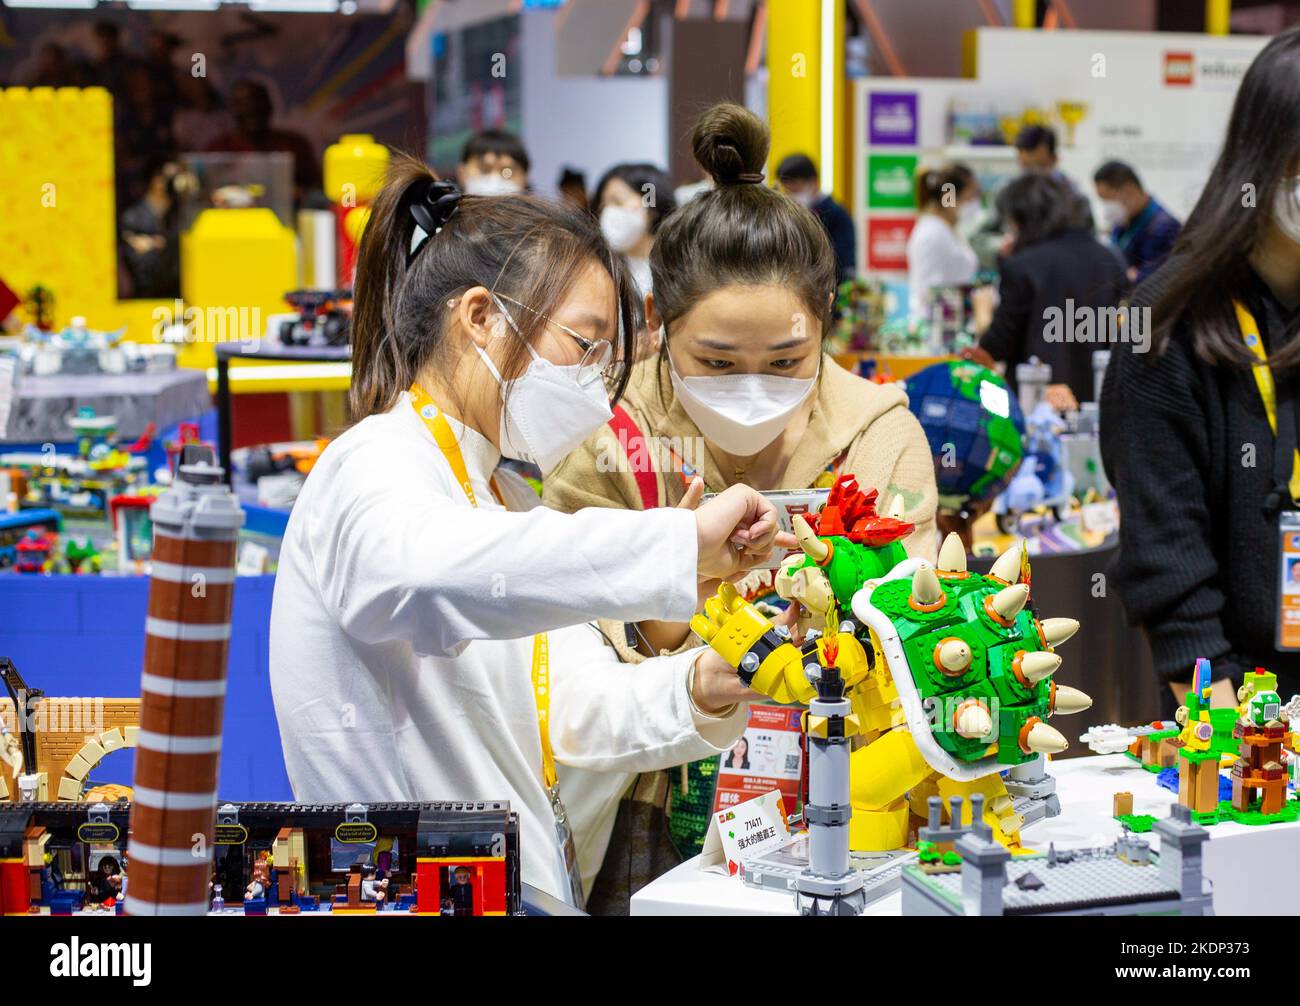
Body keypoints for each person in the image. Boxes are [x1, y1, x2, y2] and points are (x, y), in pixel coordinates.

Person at [269, 154, 794, 907]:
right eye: (583, 348)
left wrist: (712, 681)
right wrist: (675, 548)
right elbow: (423, 576)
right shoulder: (373, 463)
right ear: (480, 316)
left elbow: (574, 713)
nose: (592, 387)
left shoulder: (504, 495)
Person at [543, 103, 938, 912]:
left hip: (843, 788)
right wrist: (671, 592)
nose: (751, 385)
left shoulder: (878, 432)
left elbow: (916, 631)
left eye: (787, 360)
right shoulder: (610, 434)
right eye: (716, 361)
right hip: (648, 801)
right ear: (658, 324)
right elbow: (562, 644)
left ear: (825, 328)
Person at [1100, 27, 1300, 713]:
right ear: (1269, 160)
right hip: (1242, 698)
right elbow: (1166, 551)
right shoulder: (1167, 322)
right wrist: (1222, 715)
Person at [977, 172, 1127, 407]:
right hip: (1097, 401)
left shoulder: (1022, 266)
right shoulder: (1110, 258)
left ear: (1020, 218)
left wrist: (982, 313)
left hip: (1035, 403)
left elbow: (997, 346)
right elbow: (1126, 339)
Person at [208, 79, 321, 198]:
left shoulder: (295, 144)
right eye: (242, 104)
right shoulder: (218, 149)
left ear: (270, 106)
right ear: (232, 110)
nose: (250, 109)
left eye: (257, 102)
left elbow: (314, 190)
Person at [905, 164, 980, 320]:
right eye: (971, 195)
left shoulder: (950, 231)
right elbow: (930, 290)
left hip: (952, 322)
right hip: (935, 325)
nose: (974, 202)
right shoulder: (931, 234)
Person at [591, 162, 676, 296]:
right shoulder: (599, 271)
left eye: (618, 201)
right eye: (603, 207)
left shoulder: (677, 269)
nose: (609, 212)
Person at [1093, 160, 1182, 286]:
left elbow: (1151, 281)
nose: (1107, 208)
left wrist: (1126, 276)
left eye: (1109, 199)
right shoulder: (1122, 222)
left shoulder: (1165, 228)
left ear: (1130, 190)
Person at [775, 153, 856, 286]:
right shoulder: (785, 215)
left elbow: (843, 263)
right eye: (787, 191)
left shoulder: (836, 215)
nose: (791, 196)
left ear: (813, 182)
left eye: (796, 189)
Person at [119, 155, 182, 299]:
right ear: (156, 180)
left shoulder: (180, 213)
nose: (174, 183)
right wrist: (157, 245)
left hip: (179, 294)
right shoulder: (133, 217)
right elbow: (135, 260)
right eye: (169, 178)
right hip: (146, 296)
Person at [456, 128, 530, 196]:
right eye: (484, 169)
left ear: (524, 177)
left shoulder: (539, 209)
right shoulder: (445, 209)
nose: (495, 180)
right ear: (462, 173)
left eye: (507, 172)